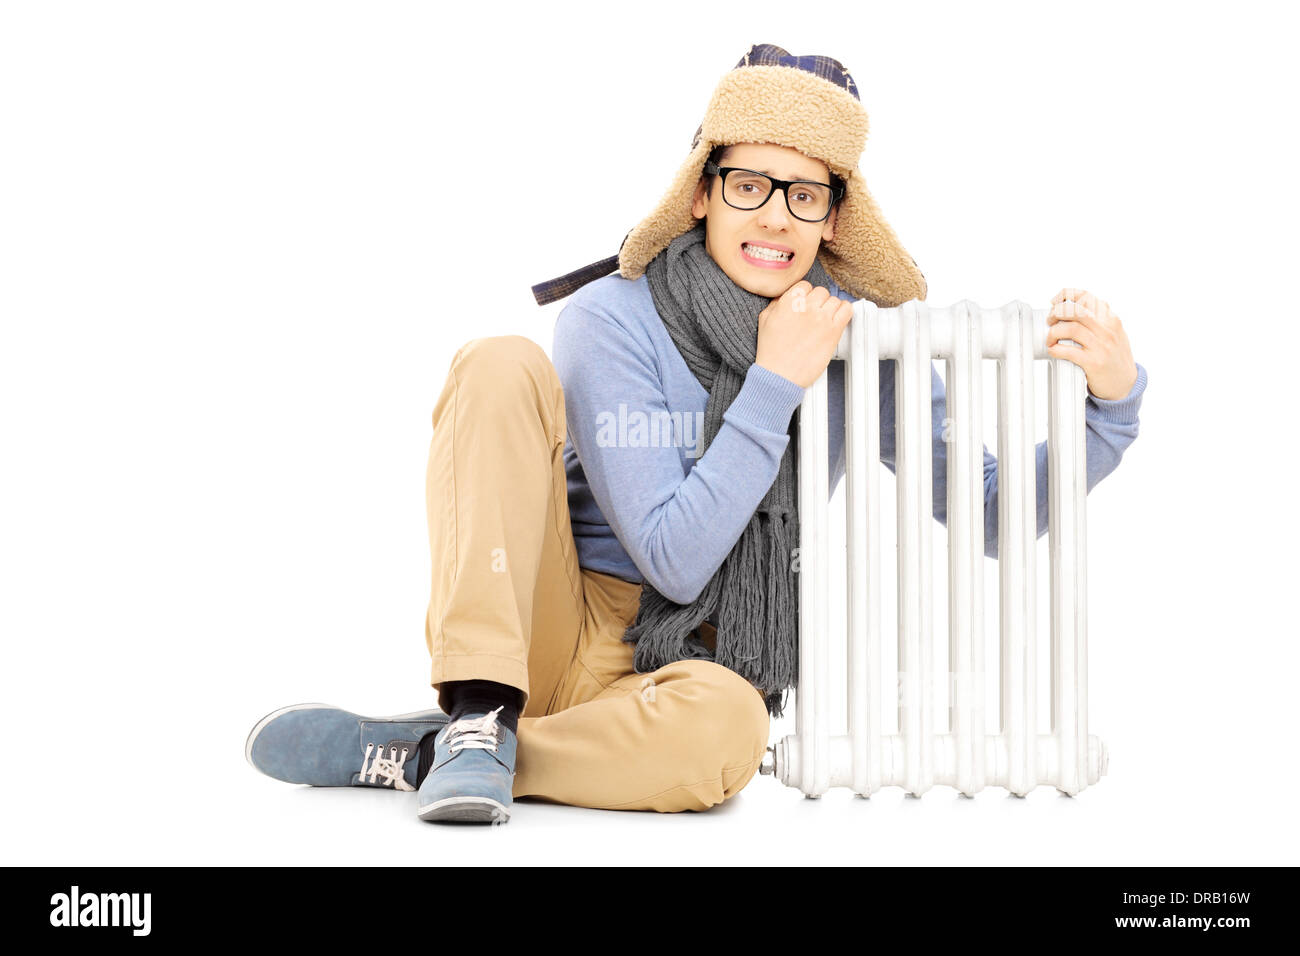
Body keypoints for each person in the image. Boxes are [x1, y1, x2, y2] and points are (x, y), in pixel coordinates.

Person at [245, 43, 1147, 825]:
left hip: (688, 669)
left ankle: (450, 753)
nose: (773, 217)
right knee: (496, 362)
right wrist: (774, 386)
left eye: (803, 194)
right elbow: (673, 558)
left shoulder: (854, 336)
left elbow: (992, 515)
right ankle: (481, 702)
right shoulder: (610, 317)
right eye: (748, 184)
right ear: (703, 194)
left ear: (834, 216)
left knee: (729, 737)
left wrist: (1110, 408)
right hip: (559, 620)